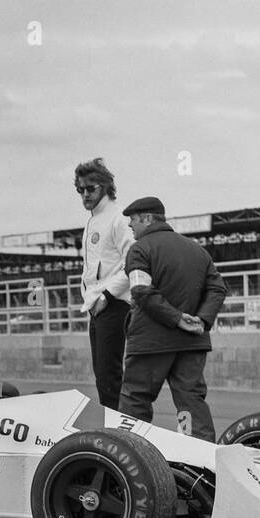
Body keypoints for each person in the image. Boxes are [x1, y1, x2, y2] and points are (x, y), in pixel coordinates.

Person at [118, 196, 229, 442]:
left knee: (135, 400)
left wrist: (176, 318)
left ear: (147, 219)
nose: (130, 226)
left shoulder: (139, 249)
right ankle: (198, 457)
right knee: (189, 400)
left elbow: (140, 291)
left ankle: (130, 454)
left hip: (150, 343)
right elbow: (218, 288)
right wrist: (201, 320)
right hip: (192, 342)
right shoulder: (197, 250)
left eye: (133, 220)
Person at [75, 156, 133, 409]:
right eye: (80, 190)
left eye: (90, 189)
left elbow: (133, 262)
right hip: (95, 307)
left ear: (106, 187)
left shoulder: (119, 219)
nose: (85, 195)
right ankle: (112, 425)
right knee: (101, 374)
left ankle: (117, 429)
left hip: (113, 305)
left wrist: (107, 296)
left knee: (109, 374)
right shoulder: (91, 222)